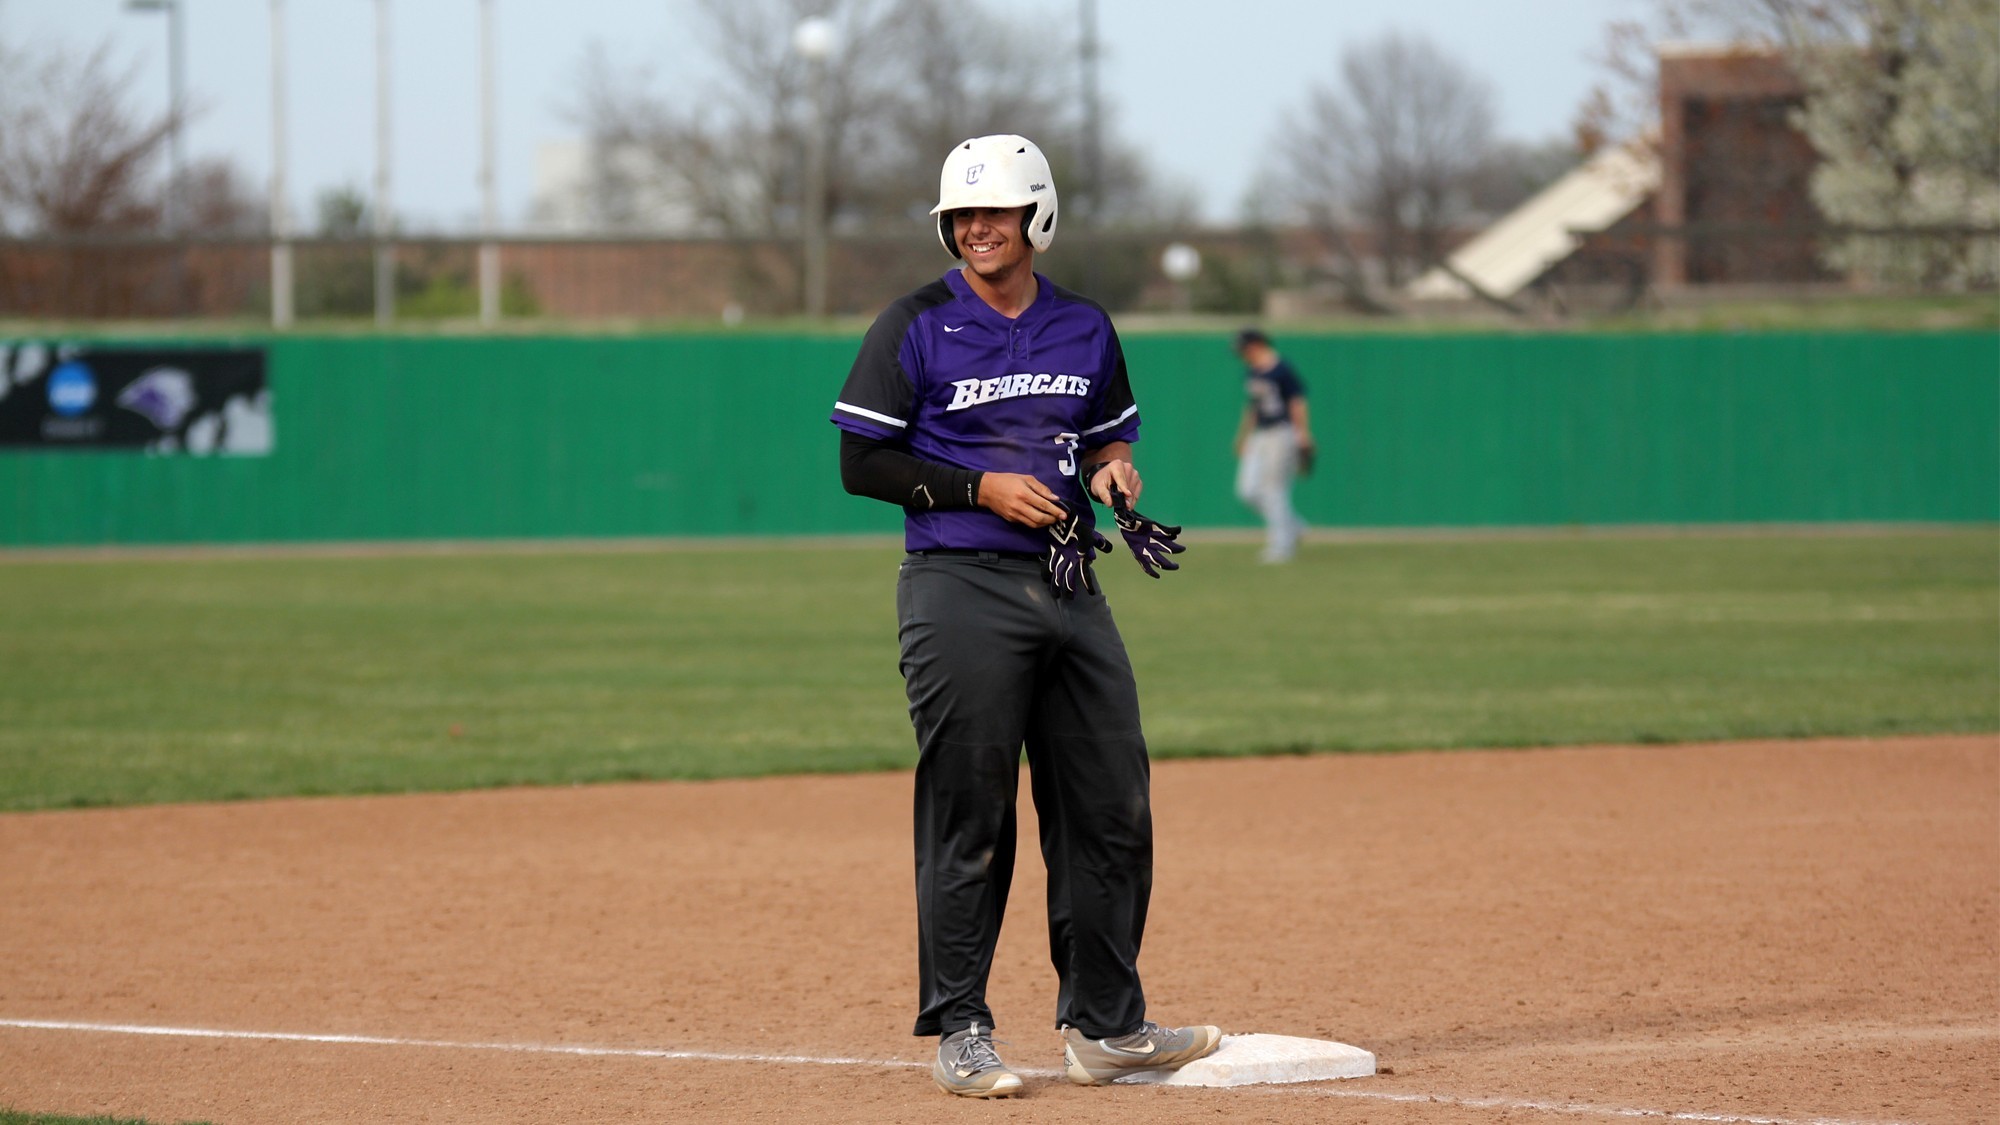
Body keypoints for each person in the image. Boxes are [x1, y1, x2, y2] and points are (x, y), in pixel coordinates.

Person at [829, 134, 1217, 1099]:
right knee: (971, 814)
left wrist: (1114, 474)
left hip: (1070, 582)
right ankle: (961, 1027)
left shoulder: (1084, 325)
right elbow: (862, 464)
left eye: (994, 211)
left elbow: (1105, 438)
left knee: (1111, 805)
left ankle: (1107, 1025)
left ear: (1036, 215)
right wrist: (979, 487)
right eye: (961, 215)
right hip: (957, 585)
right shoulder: (914, 323)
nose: (976, 228)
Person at [1231, 328, 1314, 563]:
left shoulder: (1282, 369)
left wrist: (1303, 433)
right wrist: (1243, 436)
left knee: (1274, 489)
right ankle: (1292, 525)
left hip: (1281, 432)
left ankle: (1281, 546)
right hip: (1261, 434)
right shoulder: (1252, 372)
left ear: (1256, 345)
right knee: (1247, 490)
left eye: (1244, 348)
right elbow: (1253, 407)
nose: (1242, 354)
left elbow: (1297, 402)